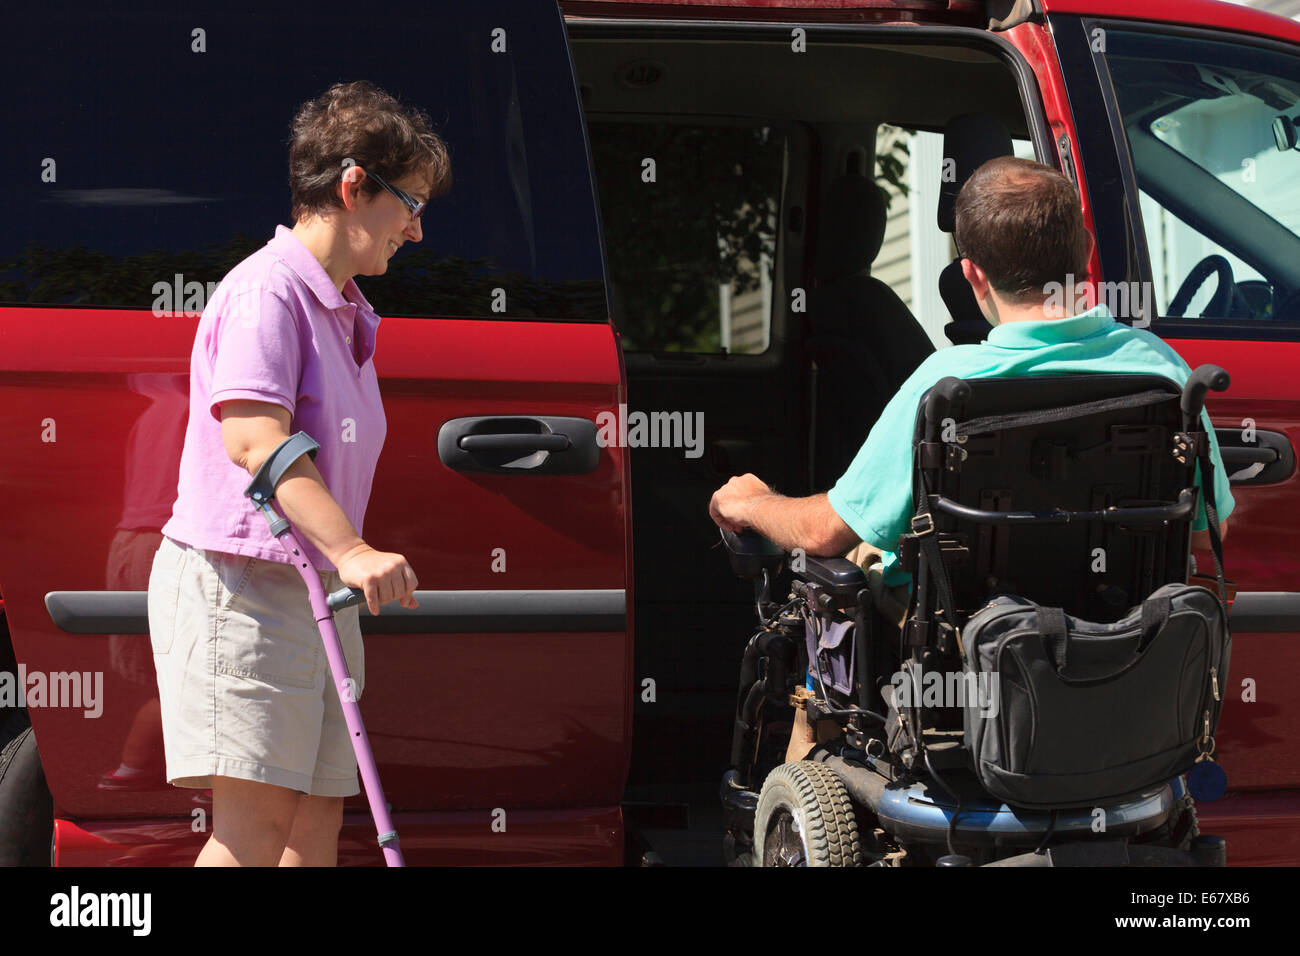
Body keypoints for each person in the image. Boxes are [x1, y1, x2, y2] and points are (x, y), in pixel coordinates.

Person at [708, 156, 1234, 764]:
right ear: (1086, 252)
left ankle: (800, 793)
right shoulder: (1162, 370)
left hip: (962, 654)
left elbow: (827, 530)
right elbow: (1208, 525)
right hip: (1121, 639)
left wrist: (752, 502)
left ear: (972, 275)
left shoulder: (946, 383)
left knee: (854, 557)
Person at [147, 80, 450, 866]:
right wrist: (353, 550)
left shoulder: (343, 308)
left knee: (313, 831)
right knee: (254, 834)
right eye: (410, 204)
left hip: (316, 595)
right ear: (354, 187)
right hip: (244, 587)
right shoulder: (264, 292)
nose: (416, 231)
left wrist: (343, 564)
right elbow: (254, 439)